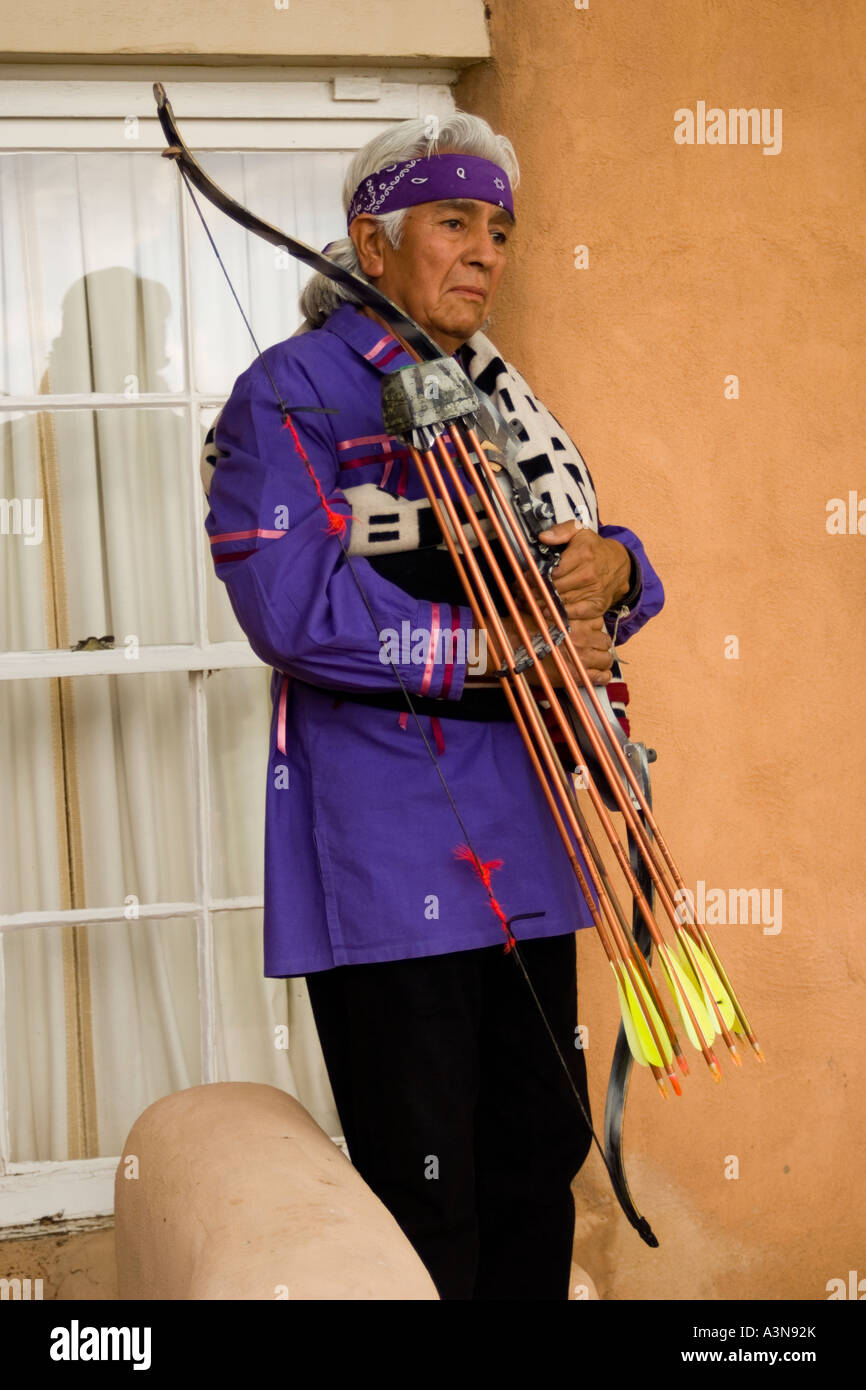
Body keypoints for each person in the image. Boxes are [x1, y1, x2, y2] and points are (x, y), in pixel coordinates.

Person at [202, 110, 664, 1300]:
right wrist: (502, 647)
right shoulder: (286, 394)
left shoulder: (496, 399)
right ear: (371, 242)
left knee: (535, 1152)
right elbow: (294, 607)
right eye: (453, 221)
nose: (485, 252)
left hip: (530, 840)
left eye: (500, 230)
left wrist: (616, 563)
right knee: (424, 1186)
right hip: (383, 848)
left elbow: (560, 557)